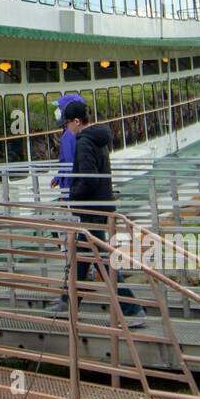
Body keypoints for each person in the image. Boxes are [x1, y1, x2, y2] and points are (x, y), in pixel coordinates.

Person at [48, 100, 147, 322]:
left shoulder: (83, 142)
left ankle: (131, 308)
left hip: (91, 208)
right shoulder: (98, 138)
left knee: (99, 258)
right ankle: (69, 302)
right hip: (101, 206)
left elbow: (89, 178)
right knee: (84, 254)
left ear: (76, 121)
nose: (66, 129)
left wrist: (72, 194)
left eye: (67, 124)